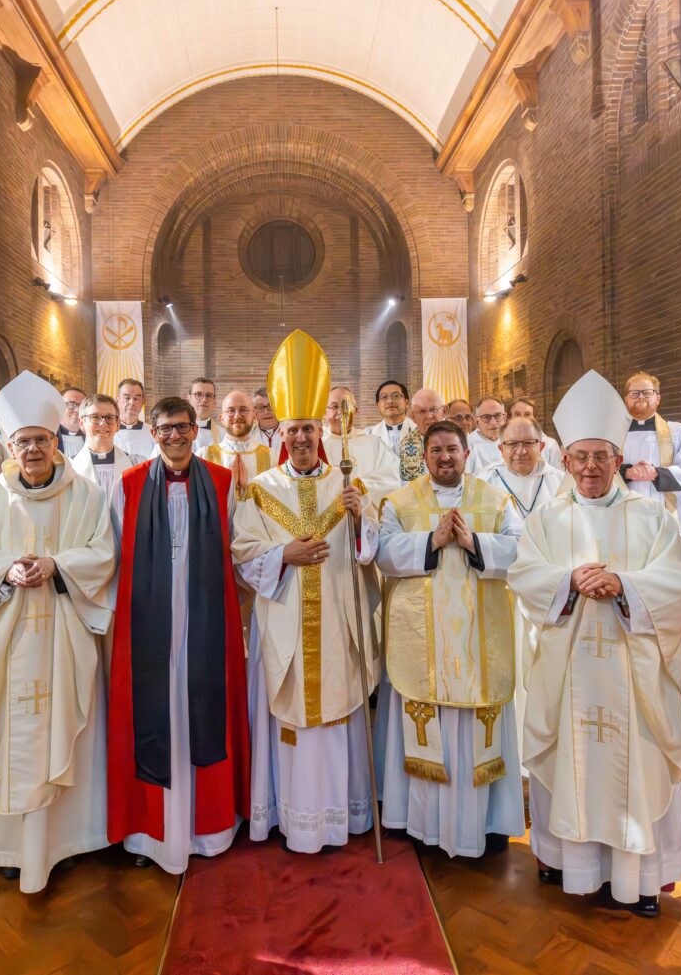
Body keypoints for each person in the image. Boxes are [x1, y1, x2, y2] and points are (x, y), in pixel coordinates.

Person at [506, 370, 681, 918]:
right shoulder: (546, 519)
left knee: (631, 767)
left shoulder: (650, 517)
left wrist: (626, 586)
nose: (590, 467)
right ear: (565, 460)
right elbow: (523, 576)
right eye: (580, 456)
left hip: (632, 672)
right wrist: (567, 581)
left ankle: (637, 882)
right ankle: (571, 867)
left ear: (618, 460)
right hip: (568, 670)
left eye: (601, 456)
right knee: (570, 761)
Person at [0, 371, 118, 893]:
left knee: (68, 725)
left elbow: (103, 553)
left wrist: (56, 564)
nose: (34, 449)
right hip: (5, 636)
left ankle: (64, 841)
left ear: (55, 440)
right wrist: (6, 570)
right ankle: (5, 846)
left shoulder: (85, 495)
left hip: (64, 637)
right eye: (23, 442)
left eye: (42, 440)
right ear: (10, 448)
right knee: (4, 730)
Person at [233, 331, 378, 853]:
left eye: (308, 429)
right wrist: (283, 557)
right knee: (288, 720)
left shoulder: (349, 486)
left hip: (337, 622)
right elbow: (243, 554)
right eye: (293, 429)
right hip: (283, 625)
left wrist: (362, 522)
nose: (299, 437)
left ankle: (339, 817)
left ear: (322, 432)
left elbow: (369, 554)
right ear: (282, 433)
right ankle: (289, 816)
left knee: (335, 714)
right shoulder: (262, 489)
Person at [106, 396, 250, 873]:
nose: (174, 435)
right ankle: (154, 833)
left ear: (196, 430)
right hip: (148, 620)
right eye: (164, 428)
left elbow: (242, 550)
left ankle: (207, 830)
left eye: (182, 427)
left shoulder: (222, 482)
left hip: (206, 617)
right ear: (152, 433)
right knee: (157, 710)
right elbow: (109, 556)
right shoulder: (127, 486)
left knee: (202, 706)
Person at [376, 420, 524, 858]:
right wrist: (431, 541)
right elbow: (382, 553)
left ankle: (487, 824)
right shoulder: (400, 502)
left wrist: (474, 541)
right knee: (427, 725)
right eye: (436, 450)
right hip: (423, 645)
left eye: (453, 449)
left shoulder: (496, 500)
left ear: (467, 453)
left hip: (478, 642)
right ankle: (420, 825)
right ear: (424, 457)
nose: (445, 457)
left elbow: (522, 550)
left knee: (478, 725)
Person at [481, 415, 562, 752]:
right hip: (503, 590)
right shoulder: (483, 484)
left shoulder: (561, 483)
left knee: (545, 667)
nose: (520, 451)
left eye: (528, 443)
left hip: (550, 589)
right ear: (500, 449)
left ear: (542, 446)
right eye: (512, 444)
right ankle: (508, 743)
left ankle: (545, 740)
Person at [619, 371, 681, 541]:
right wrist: (626, 472)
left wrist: (656, 474)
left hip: (666, 521)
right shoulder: (612, 435)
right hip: (623, 522)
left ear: (658, 398)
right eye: (634, 393)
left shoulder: (679, 432)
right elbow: (600, 469)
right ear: (626, 399)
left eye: (647, 392)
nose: (640, 397)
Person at [321, 386, 400, 504]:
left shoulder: (374, 444)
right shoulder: (318, 447)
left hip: (366, 518)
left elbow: (391, 478)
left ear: (355, 411)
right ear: (324, 412)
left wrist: (359, 487)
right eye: (334, 407)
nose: (341, 412)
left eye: (346, 406)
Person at [200, 390, 271, 498]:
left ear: (254, 416)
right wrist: (227, 483)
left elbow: (280, 500)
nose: (237, 416)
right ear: (221, 418)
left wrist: (249, 483)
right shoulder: (203, 456)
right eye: (231, 411)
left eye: (244, 410)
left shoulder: (272, 456)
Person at [72, 394, 143, 499]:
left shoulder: (136, 464)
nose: (103, 423)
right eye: (95, 417)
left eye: (109, 418)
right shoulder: (70, 468)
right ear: (81, 423)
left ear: (118, 424)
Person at [398, 388, 446, 484]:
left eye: (433, 409)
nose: (429, 416)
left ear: (444, 411)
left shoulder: (462, 443)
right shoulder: (398, 450)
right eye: (422, 411)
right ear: (413, 416)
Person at [511, 397, 562, 468]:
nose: (522, 418)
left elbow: (558, 474)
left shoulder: (550, 444)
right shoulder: (503, 443)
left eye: (527, 414)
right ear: (510, 418)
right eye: (517, 414)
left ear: (535, 418)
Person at [114, 378, 156, 459]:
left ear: (142, 402)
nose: (132, 402)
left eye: (136, 398)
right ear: (117, 400)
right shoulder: (107, 432)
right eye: (127, 398)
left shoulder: (152, 433)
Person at [367, 380, 410, 456]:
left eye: (396, 396)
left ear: (407, 403)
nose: (390, 401)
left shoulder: (419, 432)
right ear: (378, 406)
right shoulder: (368, 434)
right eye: (384, 397)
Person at [466, 396, 507, 475]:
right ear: (477, 422)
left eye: (497, 416)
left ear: (504, 417)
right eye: (486, 417)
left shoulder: (513, 439)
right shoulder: (468, 445)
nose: (493, 422)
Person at [188, 377, 222, 450]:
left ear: (214, 402)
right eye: (198, 394)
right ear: (189, 399)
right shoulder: (178, 434)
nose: (204, 399)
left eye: (209, 395)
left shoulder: (224, 435)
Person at [59, 386, 88, 459]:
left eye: (82, 406)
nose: (78, 410)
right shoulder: (49, 439)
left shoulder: (90, 438)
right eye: (71, 405)